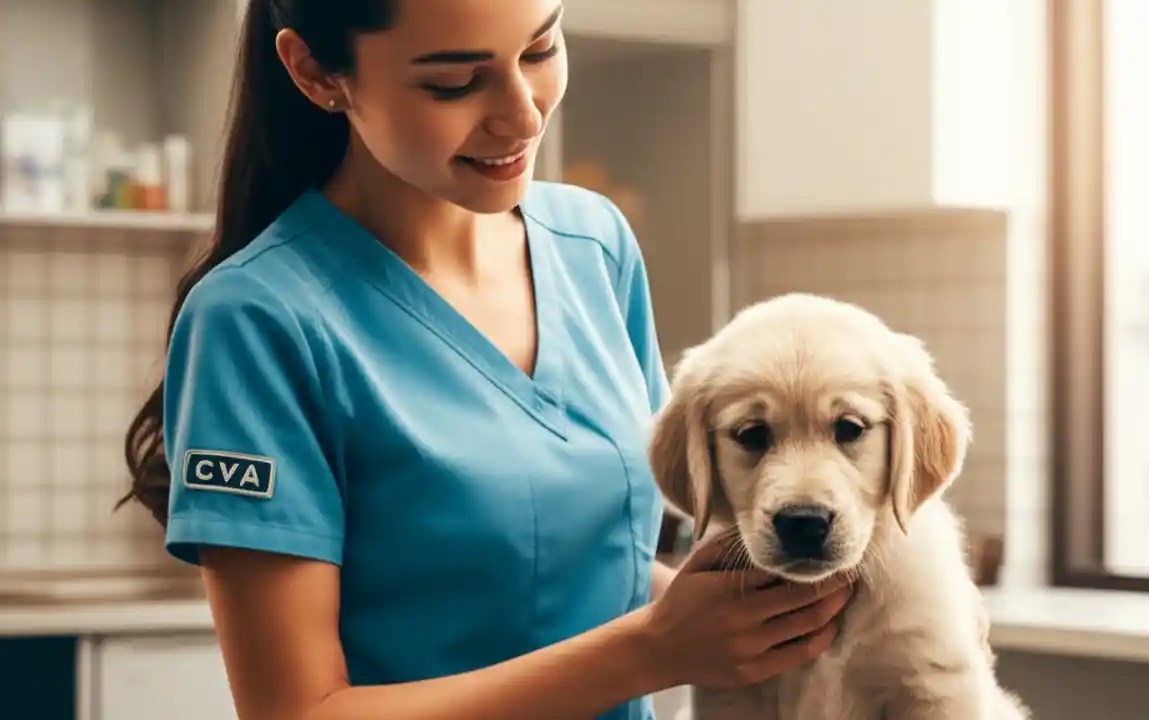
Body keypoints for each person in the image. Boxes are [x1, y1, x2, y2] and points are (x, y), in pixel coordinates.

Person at [119, 1, 854, 718]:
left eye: (540, 49)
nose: (524, 115)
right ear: (316, 73)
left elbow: (591, 577)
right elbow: (295, 712)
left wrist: (742, 619)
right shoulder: (258, 320)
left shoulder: (594, 245)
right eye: (454, 82)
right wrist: (653, 651)